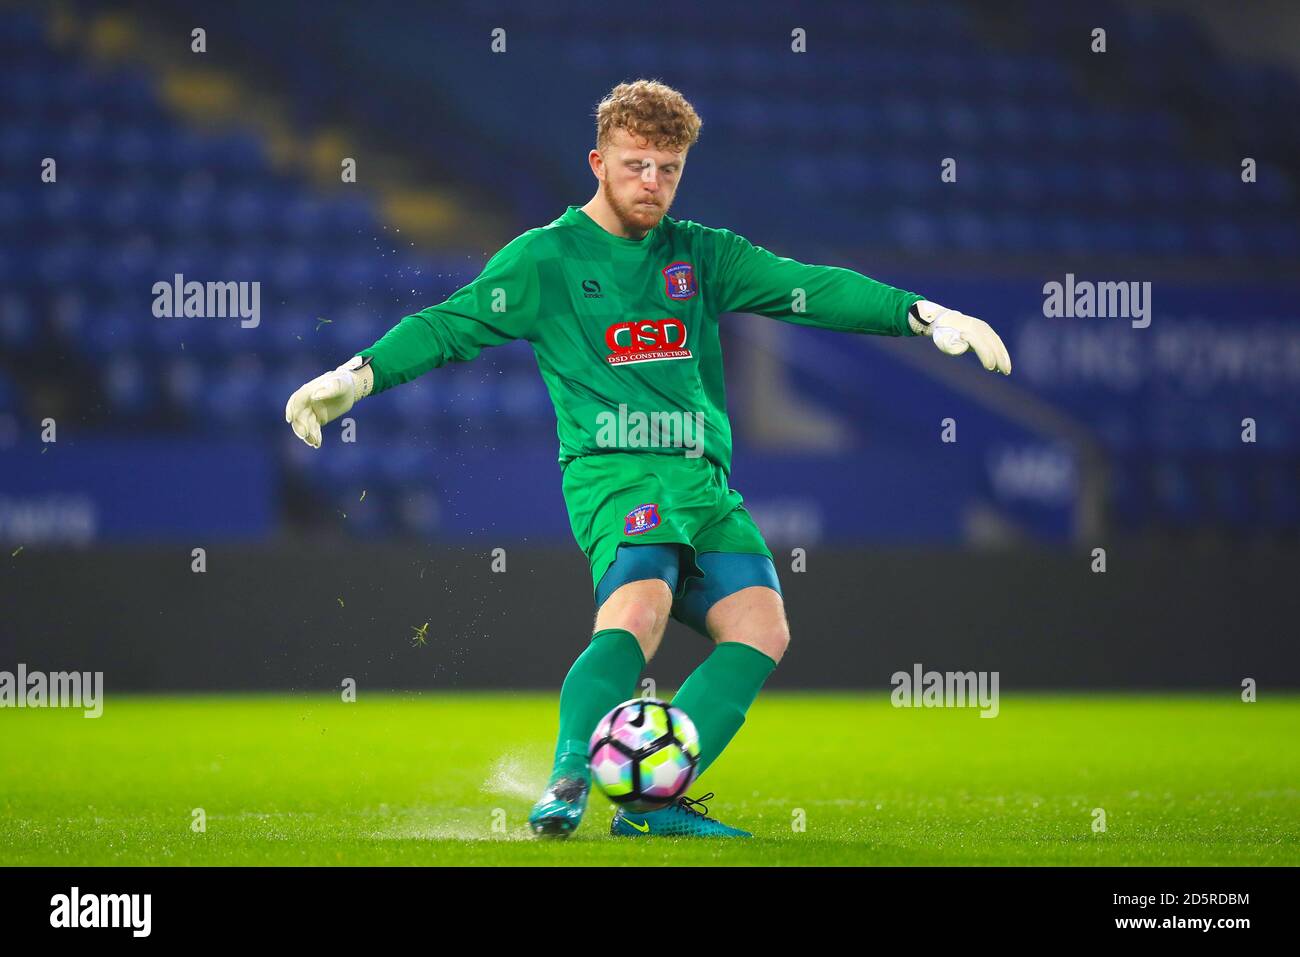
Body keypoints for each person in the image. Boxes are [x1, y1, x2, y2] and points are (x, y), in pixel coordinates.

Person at [285, 79, 1011, 839]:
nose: (652, 184)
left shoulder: (701, 254)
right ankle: (569, 775)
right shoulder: (548, 258)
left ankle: (649, 802)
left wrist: (919, 314)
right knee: (641, 605)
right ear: (597, 162)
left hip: (703, 481)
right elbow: (449, 325)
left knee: (763, 627)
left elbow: (806, 287)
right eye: (636, 165)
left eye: (669, 169)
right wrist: (357, 376)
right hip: (616, 469)